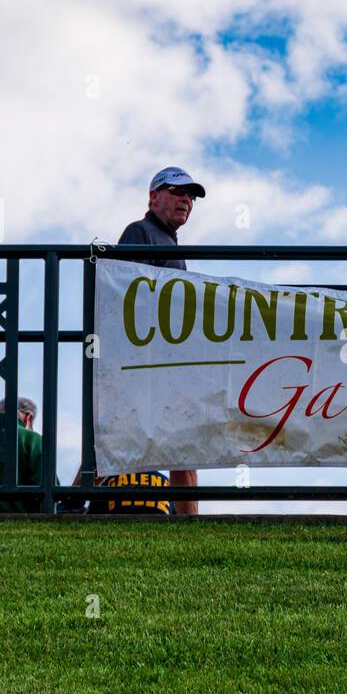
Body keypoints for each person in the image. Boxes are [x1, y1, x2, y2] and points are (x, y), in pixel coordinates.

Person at [116, 166, 207, 515]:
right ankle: (73, 504)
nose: (186, 199)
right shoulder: (140, 232)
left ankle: (72, 505)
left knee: (179, 440)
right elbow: (126, 295)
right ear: (153, 196)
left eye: (192, 196)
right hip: (146, 360)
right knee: (116, 434)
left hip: (162, 360)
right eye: (177, 191)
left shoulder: (168, 240)